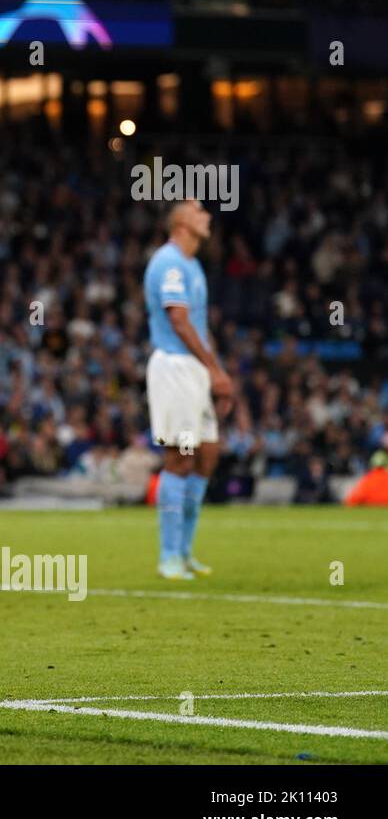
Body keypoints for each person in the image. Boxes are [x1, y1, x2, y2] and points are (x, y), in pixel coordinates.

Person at [143, 200, 234, 580]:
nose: (207, 216)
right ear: (181, 222)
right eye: (199, 211)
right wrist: (213, 368)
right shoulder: (169, 263)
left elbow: (196, 323)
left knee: (207, 454)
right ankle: (168, 557)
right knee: (180, 457)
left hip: (195, 369)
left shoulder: (193, 265)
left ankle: (184, 551)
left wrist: (217, 369)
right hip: (175, 367)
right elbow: (178, 321)